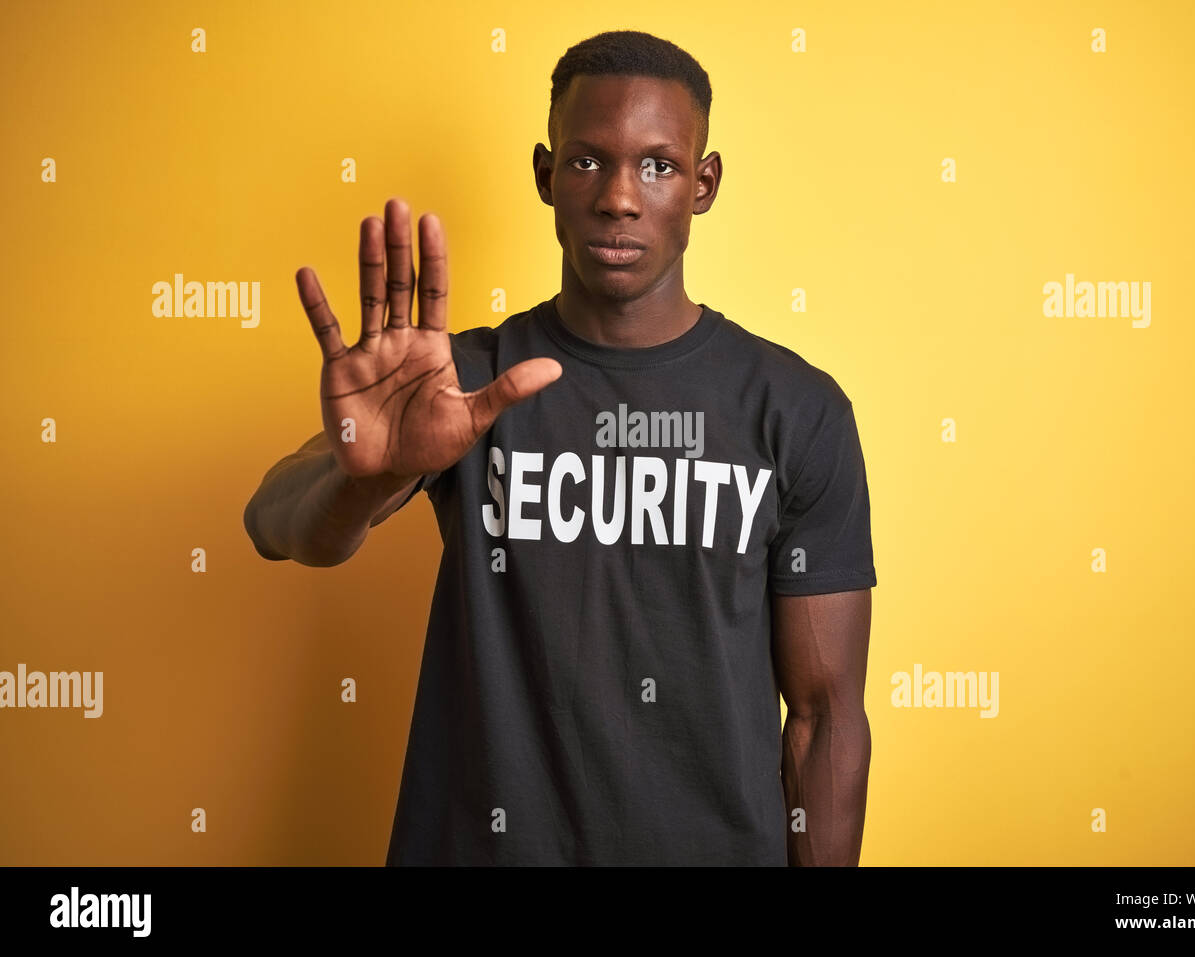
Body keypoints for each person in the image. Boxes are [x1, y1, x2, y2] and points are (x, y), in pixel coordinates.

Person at [243, 30, 877, 866]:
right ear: (545, 175)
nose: (620, 196)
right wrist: (373, 473)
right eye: (587, 162)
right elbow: (273, 522)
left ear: (704, 184)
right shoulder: (460, 385)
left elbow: (828, 717)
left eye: (658, 166)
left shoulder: (796, 410)